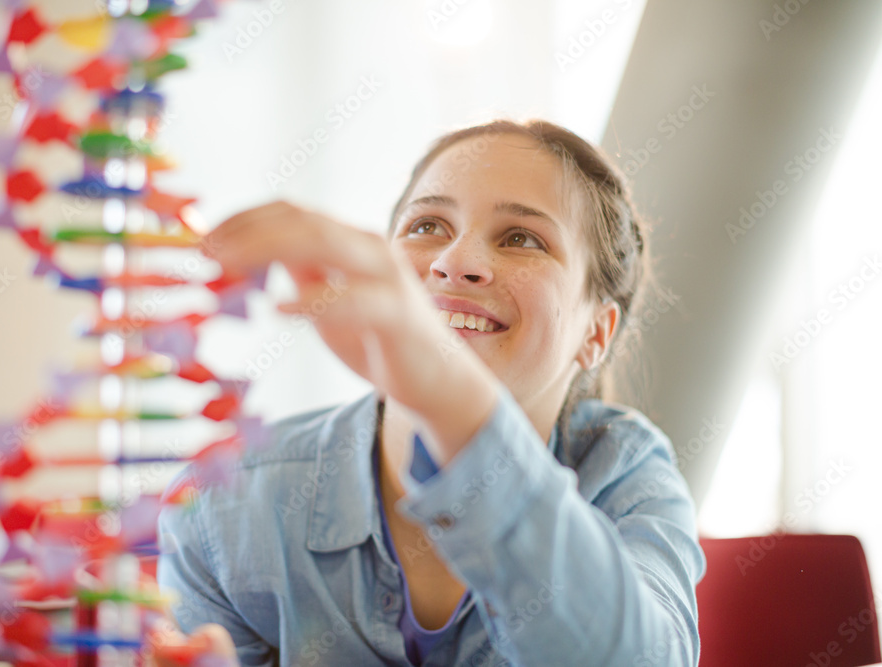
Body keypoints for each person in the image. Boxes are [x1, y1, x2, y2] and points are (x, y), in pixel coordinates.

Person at [153, 119, 706, 666]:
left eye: (521, 239)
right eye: (428, 227)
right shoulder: (224, 504)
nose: (454, 262)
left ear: (596, 333)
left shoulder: (627, 478)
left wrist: (449, 393)